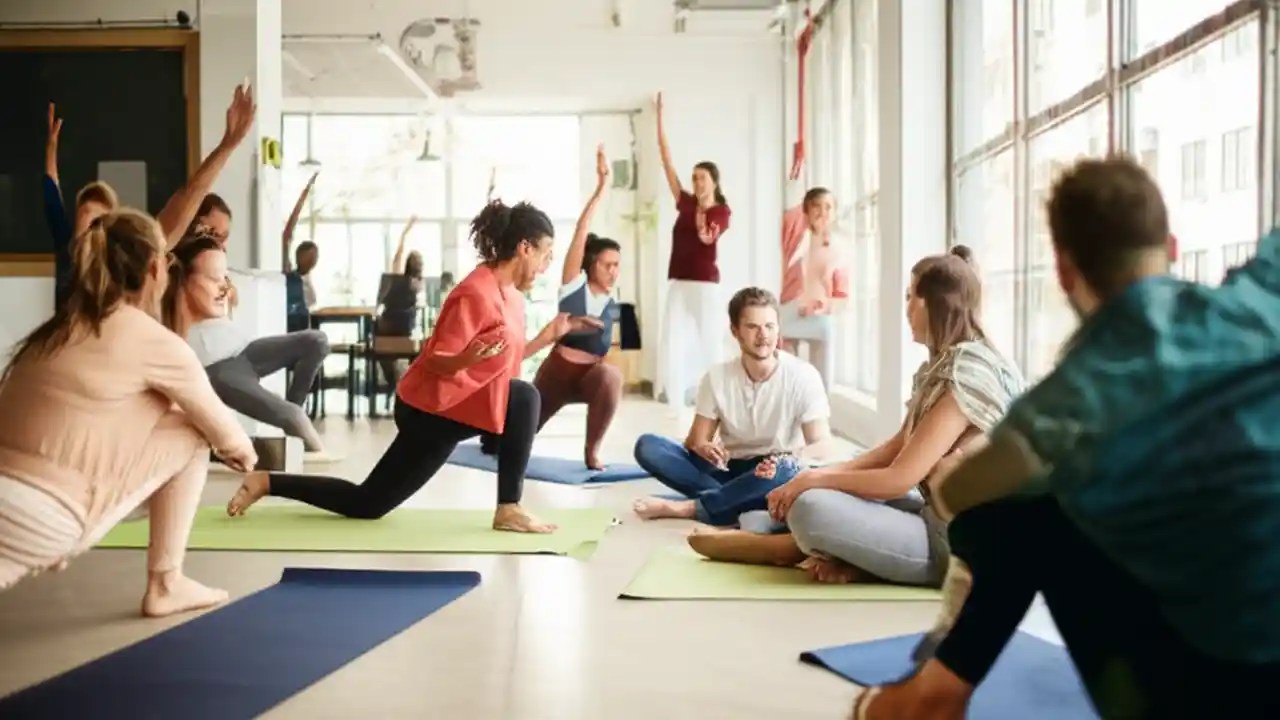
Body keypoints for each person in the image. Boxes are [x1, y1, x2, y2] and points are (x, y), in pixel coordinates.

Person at [852, 157, 1280, 719]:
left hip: (1207, 691)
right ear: (1172, 247)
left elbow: (957, 498)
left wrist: (963, 469)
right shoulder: (1260, 297)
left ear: (1064, 270)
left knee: (1018, 511)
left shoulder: (1067, 399)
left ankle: (934, 694)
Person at [224, 200, 602, 533]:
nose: (546, 265)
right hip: (426, 408)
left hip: (457, 406)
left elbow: (500, 366)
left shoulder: (513, 299)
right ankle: (509, 507)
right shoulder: (475, 293)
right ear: (524, 247)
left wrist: (547, 337)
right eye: (546, 254)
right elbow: (437, 360)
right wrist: (466, 359)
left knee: (368, 503)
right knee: (524, 396)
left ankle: (266, 482)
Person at [689, 247, 1024, 587]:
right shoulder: (945, 366)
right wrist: (814, 475)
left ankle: (784, 549)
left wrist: (812, 481)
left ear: (930, 303)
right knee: (822, 483)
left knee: (810, 507)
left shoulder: (965, 376)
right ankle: (830, 550)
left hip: (959, 545)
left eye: (910, 296)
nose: (906, 307)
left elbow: (898, 478)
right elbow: (896, 447)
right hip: (934, 511)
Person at [0, 209, 255, 616]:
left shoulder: (54, 331)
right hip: (46, 516)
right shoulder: (154, 340)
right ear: (155, 268)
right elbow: (234, 444)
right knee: (193, 431)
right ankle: (166, 583)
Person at [630, 287, 832, 526]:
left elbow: (821, 444)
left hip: (773, 469)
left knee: (789, 471)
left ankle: (694, 507)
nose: (763, 335)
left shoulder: (803, 375)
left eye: (769, 326)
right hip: (729, 469)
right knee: (648, 446)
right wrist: (704, 447)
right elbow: (695, 441)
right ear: (735, 331)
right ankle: (736, 500)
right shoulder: (716, 377)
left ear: (778, 328)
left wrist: (788, 458)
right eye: (752, 327)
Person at [42, 85, 256, 311]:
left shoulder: (125, 267)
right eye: (85, 223)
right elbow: (51, 196)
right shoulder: (68, 254)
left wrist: (227, 146)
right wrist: (50, 150)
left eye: (98, 224)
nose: (91, 235)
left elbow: (185, 200)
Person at [494, 144, 622, 470]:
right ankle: (495, 436)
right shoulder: (574, 285)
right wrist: (602, 188)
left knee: (611, 376)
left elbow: (614, 347)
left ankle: (592, 451)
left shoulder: (614, 302)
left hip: (591, 375)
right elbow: (581, 230)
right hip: (558, 374)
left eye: (617, 265)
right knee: (511, 439)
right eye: (607, 264)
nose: (613, 271)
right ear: (591, 264)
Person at [164, 231, 334, 460]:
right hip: (220, 369)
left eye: (224, 278)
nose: (224, 287)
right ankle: (310, 446)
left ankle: (291, 417)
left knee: (317, 340)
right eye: (213, 279)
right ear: (182, 280)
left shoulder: (220, 301)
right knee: (293, 416)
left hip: (245, 351)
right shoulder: (171, 309)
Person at [655, 91, 732, 409]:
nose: (697, 182)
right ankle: (675, 400)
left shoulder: (721, 211)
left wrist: (702, 219)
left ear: (713, 181)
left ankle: (719, 399)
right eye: (694, 178)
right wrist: (659, 118)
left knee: (709, 342)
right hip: (680, 280)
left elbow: (708, 238)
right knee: (673, 340)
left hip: (704, 283)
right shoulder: (685, 203)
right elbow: (667, 162)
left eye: (702, 178)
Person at [779, 185, 850, 388]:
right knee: (786, 375)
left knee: (820, 378)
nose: (822, 212)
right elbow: (791, 215)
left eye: (828, 207)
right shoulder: (795, 238)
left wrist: (823, 306)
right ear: (806, 210)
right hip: (790, 311)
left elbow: (842, 295)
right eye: (816, 206)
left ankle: (819, 405)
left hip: (820, 315)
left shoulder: (839, 250)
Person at [374, 215, 428, 388]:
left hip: (388, 328)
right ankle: (403, 380)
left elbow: (398, 255)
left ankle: (393, 378)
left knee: (381, 342)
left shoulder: (400, 279)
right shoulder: (418, 284)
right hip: (402, 330)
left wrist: (405, 232)